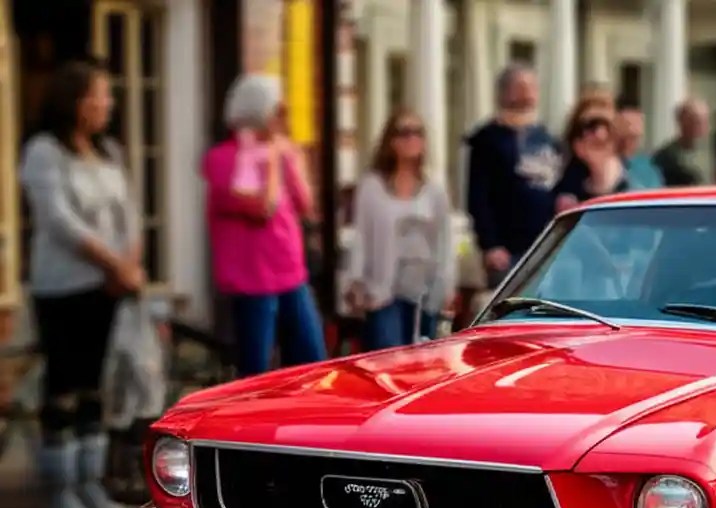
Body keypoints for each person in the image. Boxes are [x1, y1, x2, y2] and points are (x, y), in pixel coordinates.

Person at [18, 60, 141, 508]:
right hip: (64, 285)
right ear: (76, 101)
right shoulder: (44, 152)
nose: (108, 104)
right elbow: (59, 220)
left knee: (94, 387)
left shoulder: (108, 151)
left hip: (107, 286)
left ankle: (92, 484)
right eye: (100, 95)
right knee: (64, 387)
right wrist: (111, 262)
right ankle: (61, 490)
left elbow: (129, 211)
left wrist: (129, 262)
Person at [203, 73, 327, 378]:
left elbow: (307, 206)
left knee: (312, 362)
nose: (282, 117)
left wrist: (293, 160)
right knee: (256, 373)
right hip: (252, 282)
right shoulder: (224, 159)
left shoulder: (282, 152)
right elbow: (262, 208)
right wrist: (272, 160)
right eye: (277, 110)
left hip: (290, 274)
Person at [348, 109, 456, 349]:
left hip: (424, 291)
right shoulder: (371, 187)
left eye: (418, 133)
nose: (411, 139)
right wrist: (355, 280)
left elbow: (444, 241)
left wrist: (447, 286)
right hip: (383, 290)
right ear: (391, 140)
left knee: (423, 361)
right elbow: (361, 237)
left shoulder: (434, 190)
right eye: (404, 133)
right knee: (389, 356)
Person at [466, 63, 561, 293]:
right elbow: (477, 196)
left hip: (546, 247)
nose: (528, 94)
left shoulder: (546, 138)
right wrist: (490, 245)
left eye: (532, 87)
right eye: (521, 87)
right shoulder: (486, 139)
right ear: (505, 92)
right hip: (507, 252)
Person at [553, 104, 629, 207]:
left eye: (608, 125)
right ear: (578, 146)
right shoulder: (568, 190)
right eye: (591, 125)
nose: (600, 132)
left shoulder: (636, 181)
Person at [652, 98, 710, 187]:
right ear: (681, 121)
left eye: (704, 121)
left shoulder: (712, 154)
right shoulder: (666, 156)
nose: (701, 126)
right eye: (695, 120)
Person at [616, 105, 664, 189]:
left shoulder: (648, 167)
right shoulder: (607, 165)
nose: (627, 143)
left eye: (633, 137)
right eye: (624, 137)